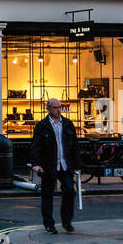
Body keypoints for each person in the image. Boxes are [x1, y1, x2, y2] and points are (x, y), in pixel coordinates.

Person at [29, 98, 79, 235]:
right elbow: (35, 146)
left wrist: (77, 166)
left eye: (60, 107)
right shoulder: (42, 126)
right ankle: (49, 225)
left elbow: (74, 146)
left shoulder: (68, 124)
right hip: (48, 166)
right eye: (55, 107)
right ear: (48, 109)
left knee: (69, 191)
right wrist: (36, 164)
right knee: (47, 195)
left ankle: (67, 221)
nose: (58, 110)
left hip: (65, 165)